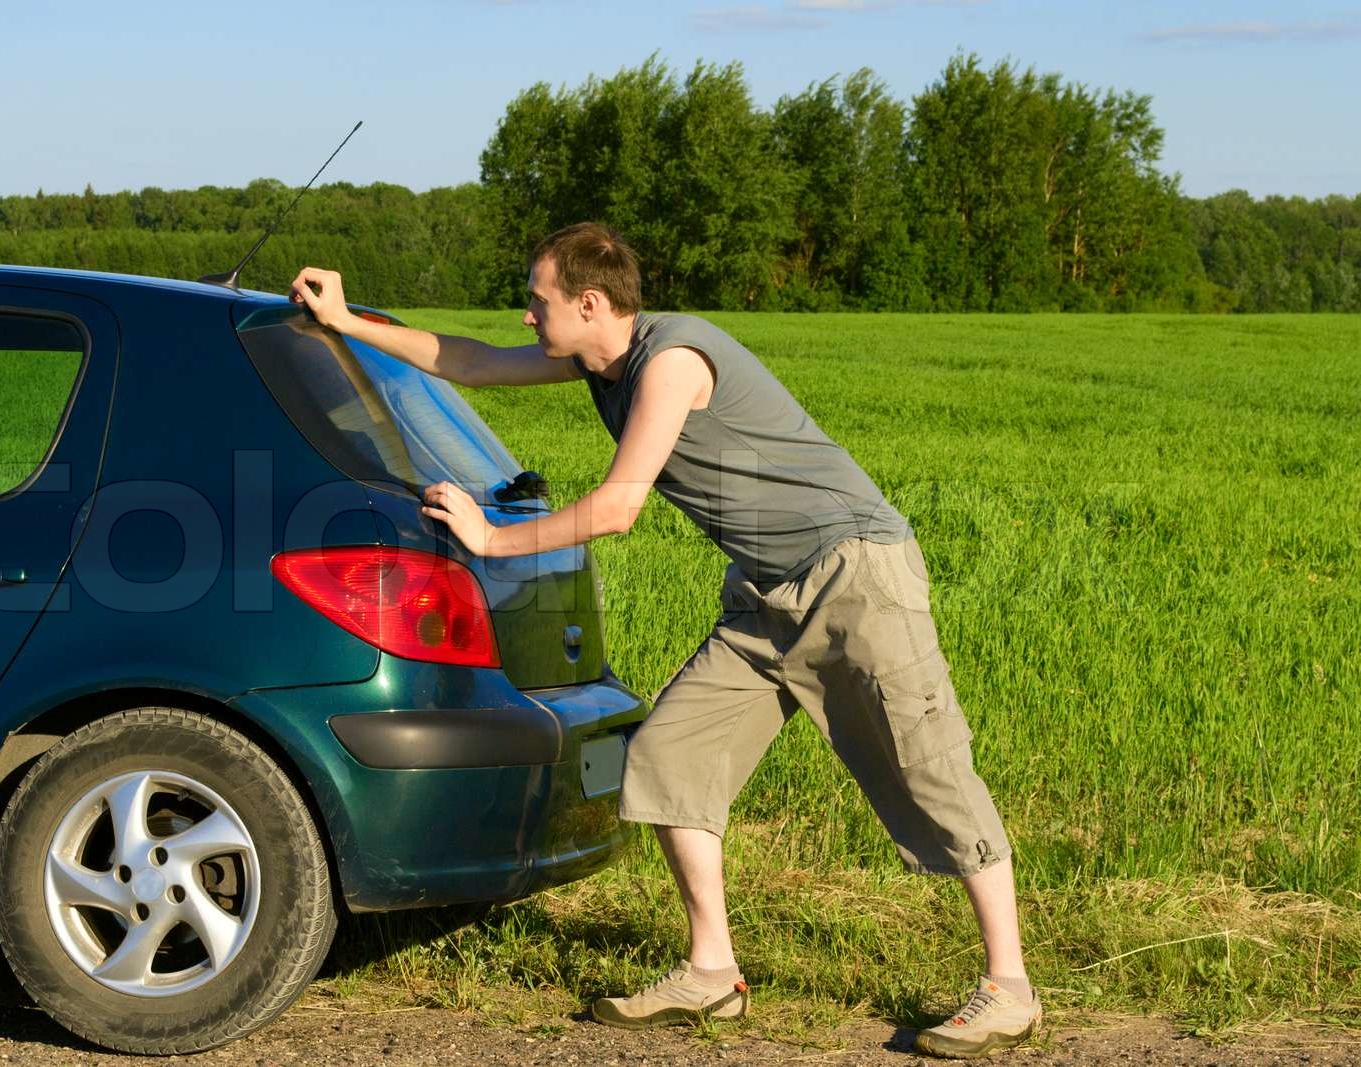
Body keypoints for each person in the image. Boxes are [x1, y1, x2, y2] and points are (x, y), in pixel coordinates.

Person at [290, 222, 1039, 1059]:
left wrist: (491, 540)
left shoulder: (671, 361)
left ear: (590, 302)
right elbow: (469, 360)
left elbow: (619, 506)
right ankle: (712, 970)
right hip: (764, 595)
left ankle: (1009, 986)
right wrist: (347, 319)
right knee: (668, 757)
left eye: (537, 300)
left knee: (929, 763)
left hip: (853, 576)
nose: (526, 316)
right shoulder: (594, 358)